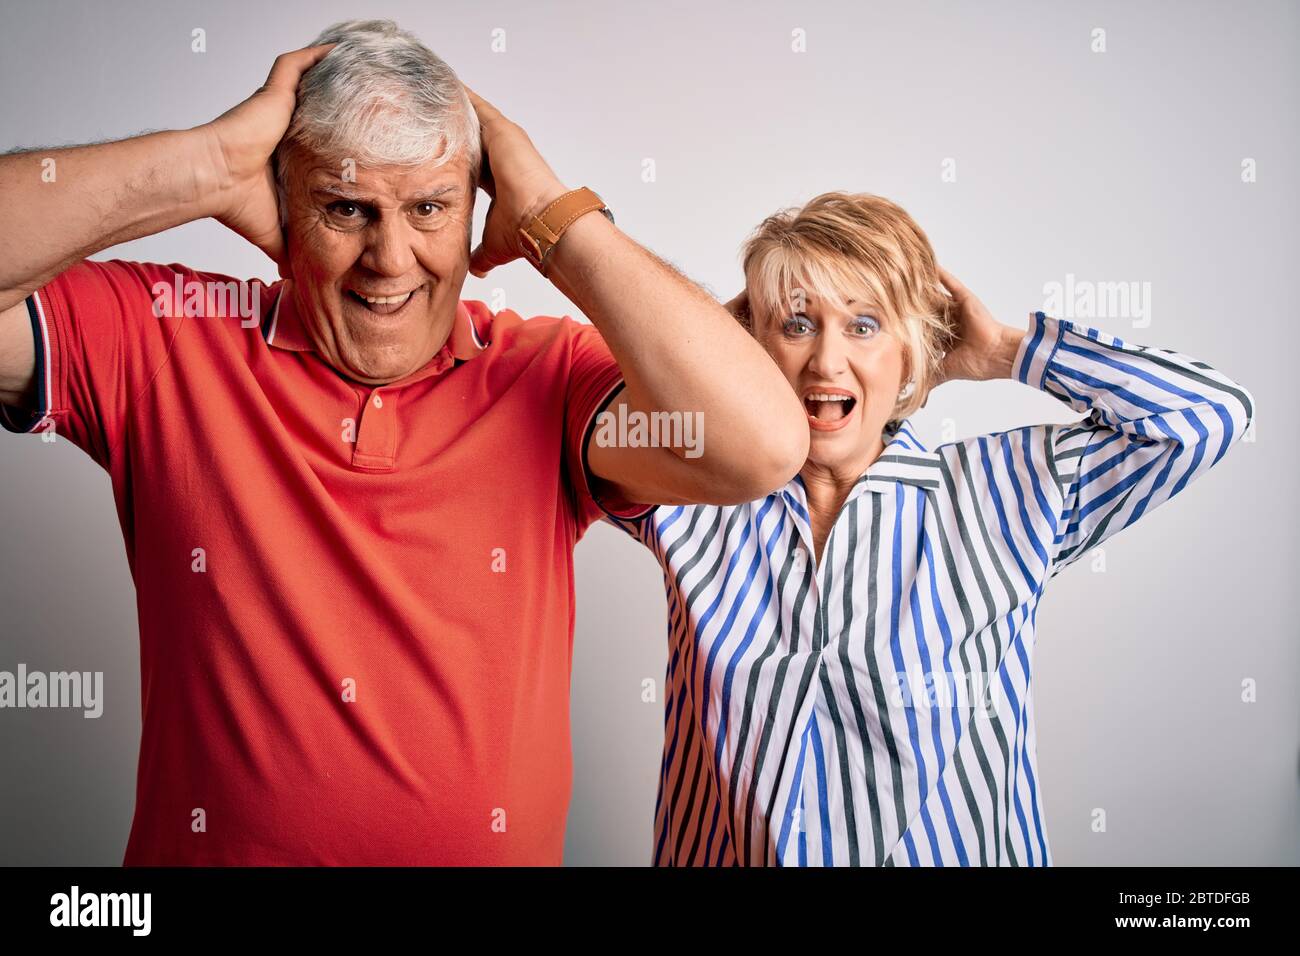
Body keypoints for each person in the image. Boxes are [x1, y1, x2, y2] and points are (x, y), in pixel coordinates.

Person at [0, 20, 809, 864]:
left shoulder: (544, 377)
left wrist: (555, 221)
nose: (390, 259)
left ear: (475, 212)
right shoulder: (168, 338)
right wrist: (201, 166)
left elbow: (760, 446)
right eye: (345, 208)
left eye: (430, 208)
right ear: (281, 204)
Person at [603, 192, 1255, 866]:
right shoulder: (685, 495)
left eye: (863, 326)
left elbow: (1206, 416)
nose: (826, 361)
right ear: (758, 346)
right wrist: (712, 356)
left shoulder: (1006, 490)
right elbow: (581, 414)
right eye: (796, 325)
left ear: (911, 354)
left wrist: (1009, 350)